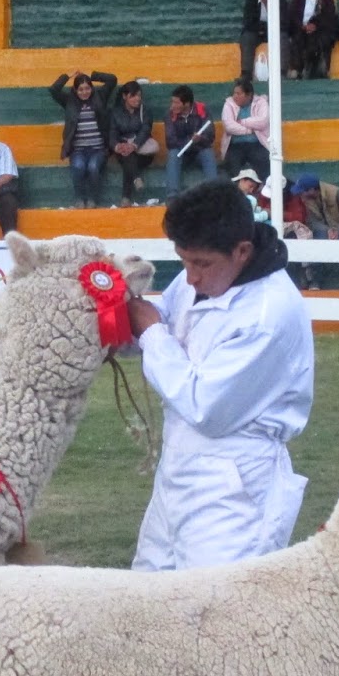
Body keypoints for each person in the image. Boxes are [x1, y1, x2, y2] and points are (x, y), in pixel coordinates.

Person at [125, 177, 313, 573]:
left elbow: (206, 406)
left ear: (242, 251)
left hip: (235, 483)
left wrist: (151, 333)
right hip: (177, 468)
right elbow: (168, 331)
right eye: (184, 261)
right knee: (146, 605)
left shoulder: (268, 312)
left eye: (200, 264)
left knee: (220, 621)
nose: (190, 276)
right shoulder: (204, 274)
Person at [51, 69, 117, 209]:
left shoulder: (100, 96)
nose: (84, 92)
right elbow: (54, 90)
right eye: (80, 89)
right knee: (78, 166)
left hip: (98, 149)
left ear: (92, 88)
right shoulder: (69, 101)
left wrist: (93, 75)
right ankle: (80, 198)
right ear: (75, 90)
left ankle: (93, 199)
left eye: (87, 88)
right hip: (78, 150)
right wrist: (67, 76)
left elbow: (112, 79)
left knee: (93, 167)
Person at [291, 171, 339, 289]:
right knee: (317, 241)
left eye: (303, 191)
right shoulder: (306, 199)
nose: (301, 194)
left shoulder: (338, 193)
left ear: (312, 190)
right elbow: (311, 221)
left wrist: (338, 229)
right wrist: (327, 230)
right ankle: (316, 279)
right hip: (322, 230)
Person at [164, 85, 218, 197]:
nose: (173, 106)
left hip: (199, 150)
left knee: (208, 153)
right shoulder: (170, 114)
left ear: (187, 104)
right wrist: (189, 140)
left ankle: (214, 192)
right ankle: (172, 194)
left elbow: (210, 136)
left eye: (176, 103)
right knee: (173, 154)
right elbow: (170, 141)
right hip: (181, 151)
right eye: (172, 102)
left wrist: (200, 139)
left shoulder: (202, 110)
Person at [110, 81, 157, 207]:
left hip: (143, 151)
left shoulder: (145, 110)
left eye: (139, 95)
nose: (137, 99)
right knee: (128, 157)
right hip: (124, 150)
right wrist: (117, 146)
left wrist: (134, 145)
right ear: (125, 97)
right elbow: (112, 134)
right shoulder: (116, 113)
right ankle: (136, 179)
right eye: (133, 96)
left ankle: (126, 197)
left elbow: (146, 130)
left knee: (129, 159)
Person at [239, 0, 292, 81]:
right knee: (246, 38)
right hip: (257, 32)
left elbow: (285, 22)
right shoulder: (251, 1)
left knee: (283, 37)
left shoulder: (280, 1)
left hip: (275, 31)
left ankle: (282, 71)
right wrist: (262, 28)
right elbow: (248, 22)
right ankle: (246, 73)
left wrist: (269, 28)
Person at [290, 0, 339, 80]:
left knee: (320, 40)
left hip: (320, 29)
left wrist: (314, 25)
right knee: (297, 39)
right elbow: (292, 15)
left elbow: (329, 14)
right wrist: (303, 26)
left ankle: (320, 71)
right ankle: (297, 70)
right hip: (301, 28)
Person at [220, 78, 271, 179]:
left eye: (239, 94)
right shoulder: (229, 104)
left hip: (257, 143)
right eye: (234, 93)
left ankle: (263, 190)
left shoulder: (261, 102)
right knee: (232, 165)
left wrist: (242, 122)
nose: (235, 96)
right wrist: (249, 130)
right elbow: (229, 126)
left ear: (249, 95)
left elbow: (262, 122)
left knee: (264, 161)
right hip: (236, 145)